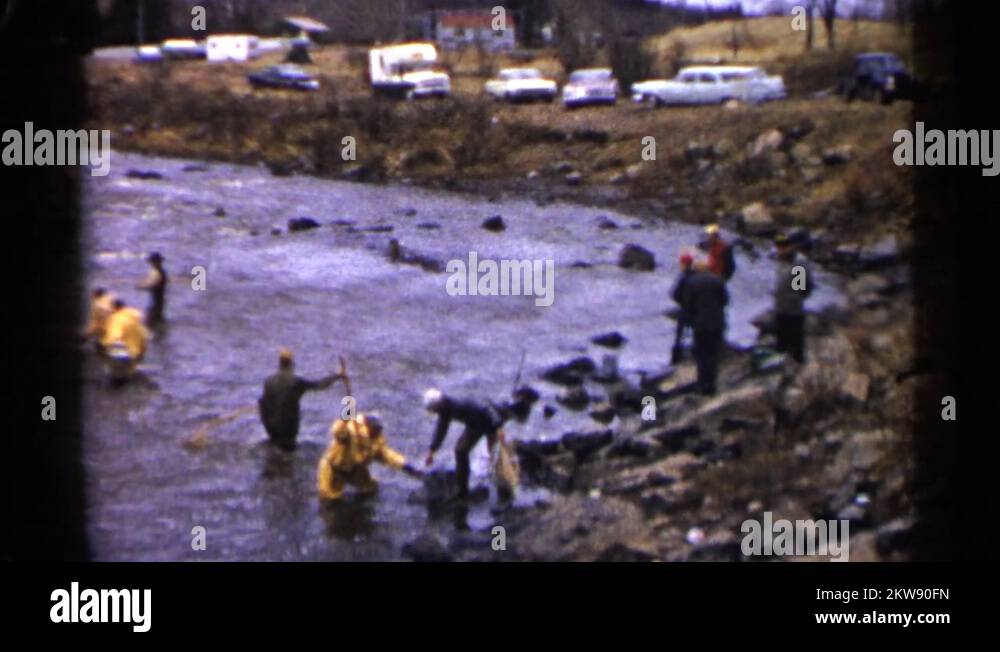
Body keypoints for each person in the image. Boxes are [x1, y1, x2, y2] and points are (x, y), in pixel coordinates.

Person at [423, 386, 538, 500]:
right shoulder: (445, 411)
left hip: (490, 422)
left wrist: (498, 429)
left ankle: (506, 485)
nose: (435, 413)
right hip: (475, 425)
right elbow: (441, 430)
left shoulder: (459, 404)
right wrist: (432, 451)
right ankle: (462, 490)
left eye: (434, 410)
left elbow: (487, 408)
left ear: (438, 405)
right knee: (460, 451)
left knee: (495, 454)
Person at [316, 413, 422, 502]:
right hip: (335, 469)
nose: (379, 431)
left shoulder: (377, 440)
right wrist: (345, 418)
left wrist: (406, 466)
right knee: (331, 499)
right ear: (368, 427)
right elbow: (338, 432)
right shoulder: (351, 430)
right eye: (376, 428)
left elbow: (387, 455)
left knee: (369, 490)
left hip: (356, 469)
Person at [258, 348, 345, 452]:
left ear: (279, 364)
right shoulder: (296, 382)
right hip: (289, 435)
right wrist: (338, 376)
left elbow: (262, 404)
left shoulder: (268, 382)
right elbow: (320, 385)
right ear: (291, 364)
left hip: (272, 432)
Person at [679, 259, 729, 395]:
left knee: (701, 354)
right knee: (713, 353)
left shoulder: (691, 283)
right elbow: (725, 300)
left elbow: (687, 304)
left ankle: (702, 384)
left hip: (700, 324)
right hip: (717, 323)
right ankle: (711, 384)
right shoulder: (718, 281)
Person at [773, 233, 813, 363]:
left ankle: (797, 363)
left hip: (793, 309)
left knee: (795, 342)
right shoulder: (781, 260)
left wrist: (793, 301)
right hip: (780, 307)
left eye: (784, 246)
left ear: (791, 246)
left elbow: (801, 288)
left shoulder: (798, 262)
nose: (781, 249)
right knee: (781, 342)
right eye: (778, 246)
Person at [100, 299, 150, 376]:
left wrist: (104, 344)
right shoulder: (135, 318)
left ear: (115, 307)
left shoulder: (117, 318)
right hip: (136, 352)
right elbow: (144, 335)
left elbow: (114, 336)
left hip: (123, 354)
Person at [670, 251, 696, 365]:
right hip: (696, 310)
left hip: (685, 309)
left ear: (684, 264)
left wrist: (681, 302)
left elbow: (675, 294)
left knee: (679, 335)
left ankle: (676, 358)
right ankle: (695, 353)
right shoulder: (697, 275)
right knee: (695, 333)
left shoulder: (683, 277)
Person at [138, 252, 167, 325]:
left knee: (150, 321)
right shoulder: (159, 271)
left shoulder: (158, 272)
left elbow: (153, 284)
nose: (151, 263)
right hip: (158, 300)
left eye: (153, 261)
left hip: (156, 301)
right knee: (156, 320)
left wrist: (142, 286)